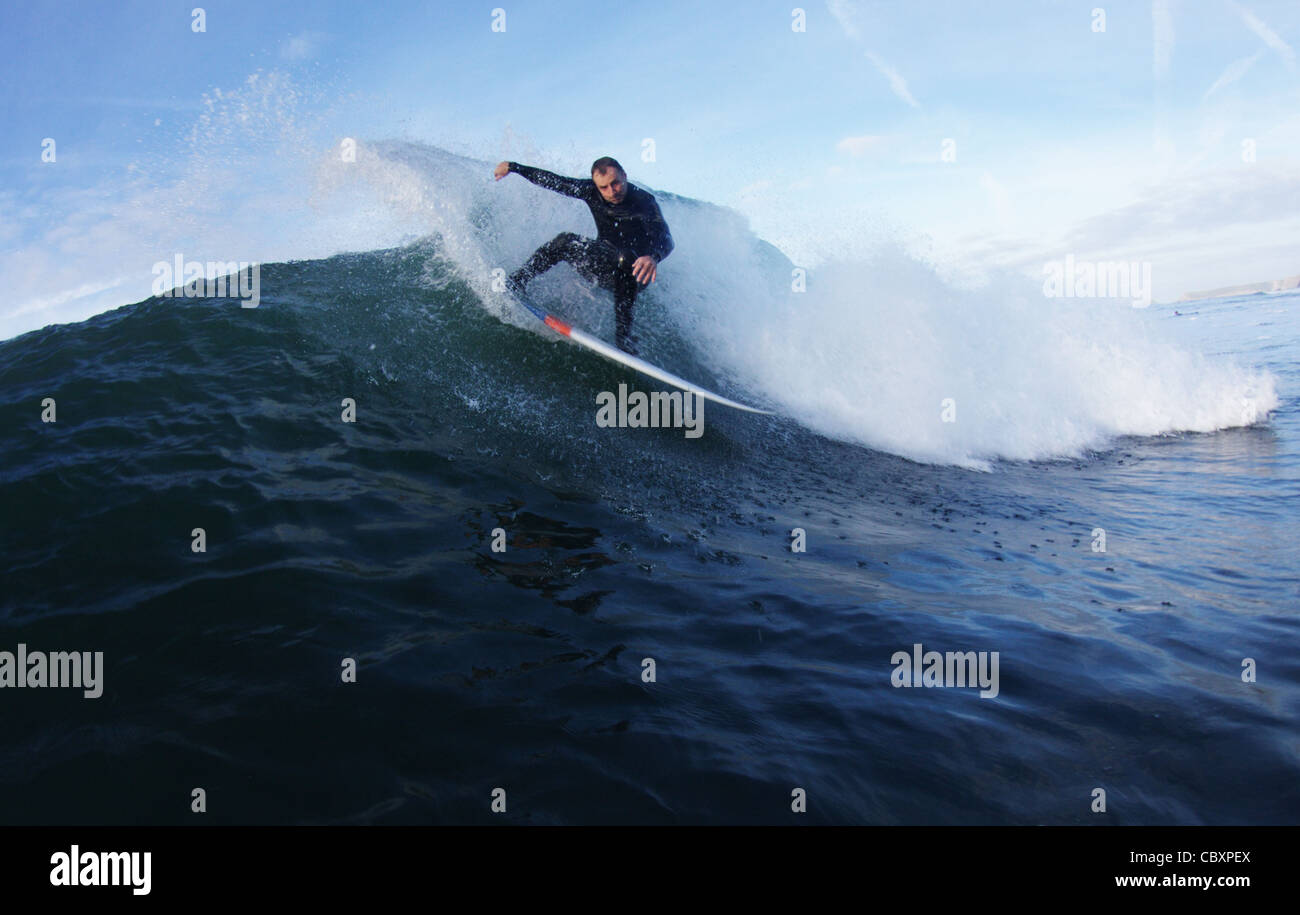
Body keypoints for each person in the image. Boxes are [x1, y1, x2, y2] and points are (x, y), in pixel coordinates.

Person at [494, 156, 674, 355]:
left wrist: (653, 257)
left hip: (636, 275)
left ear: (624, 175)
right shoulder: (591, 191)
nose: (612, 191)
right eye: (604, 187)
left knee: (626, 257)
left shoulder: (644, 201)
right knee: (564, 240)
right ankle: (518, 280)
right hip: (603, 268)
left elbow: (665, 238)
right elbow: (554, 181)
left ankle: (624, 337)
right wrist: (514, 167)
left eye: (615, 183)